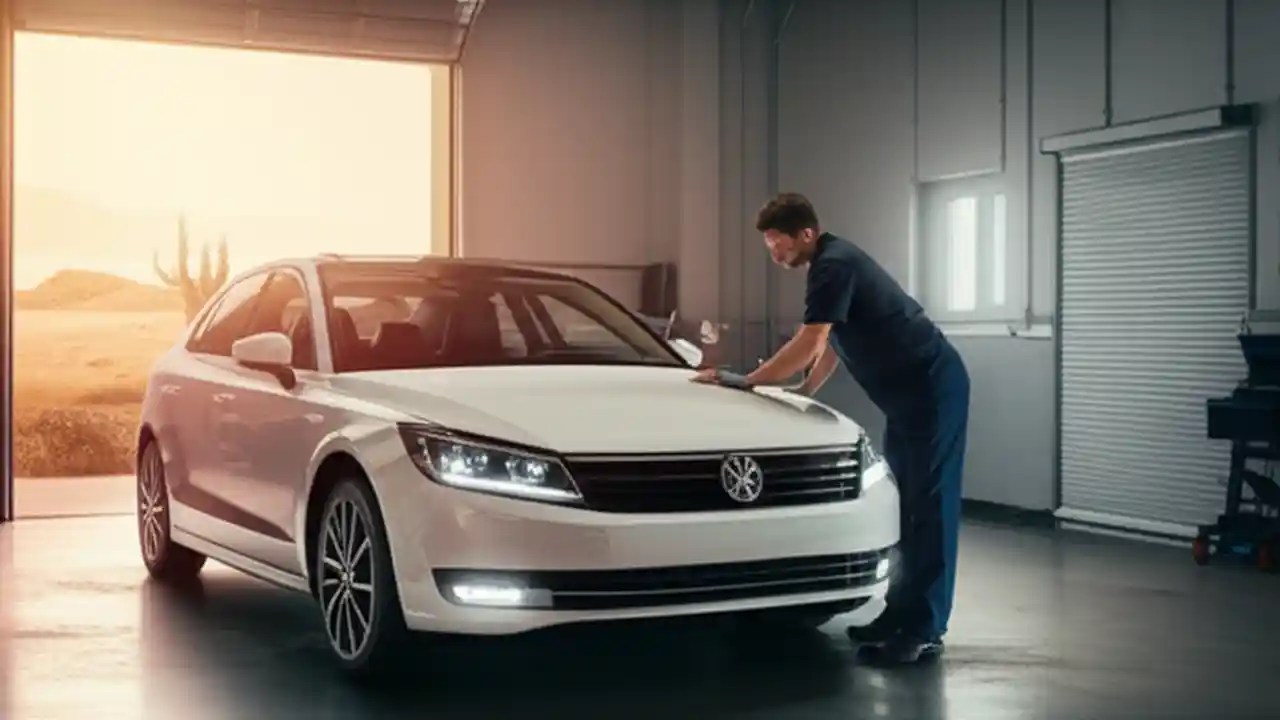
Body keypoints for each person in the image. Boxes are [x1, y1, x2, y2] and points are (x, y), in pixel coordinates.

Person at [693, 193, 970, 665]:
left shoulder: (833, 264)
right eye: (769, 245)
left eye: (778, 244)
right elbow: (834, 343)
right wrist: (805, 391)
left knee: (931, 506)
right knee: (908, 506)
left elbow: (812, 337)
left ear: (806, 234)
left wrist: (752, 381)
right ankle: (897, 612)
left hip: (931, 389)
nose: (775, 254)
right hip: (907, 400)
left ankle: (925, 629)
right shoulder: (832, 266)